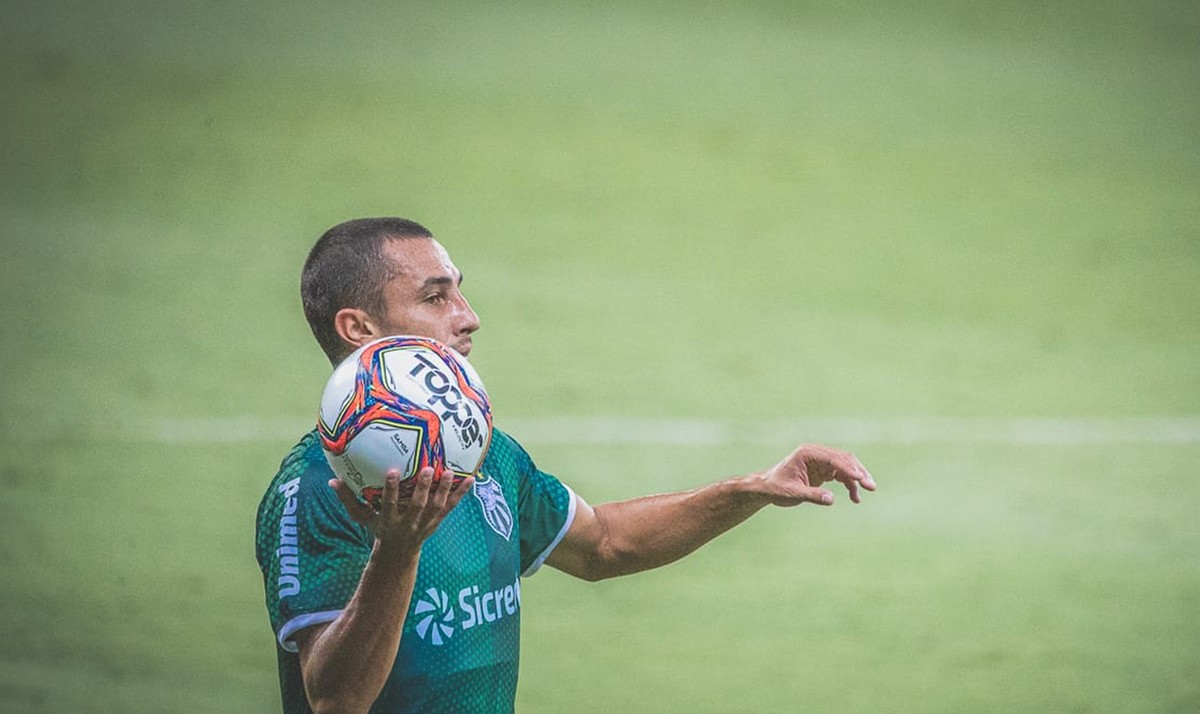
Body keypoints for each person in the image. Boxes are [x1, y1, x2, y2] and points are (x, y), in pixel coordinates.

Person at [255, 217, 876, 714]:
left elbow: (603, 544)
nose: (468, 315)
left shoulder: (486, 452)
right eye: (435, 296)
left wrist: (752, 489)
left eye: (459, 291)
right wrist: (397, 551)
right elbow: (335, 700)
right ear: (359, 327)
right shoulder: (313, 490)